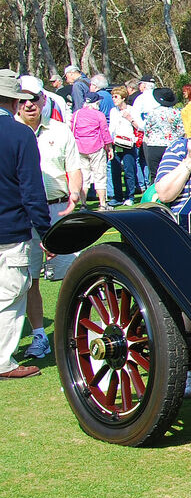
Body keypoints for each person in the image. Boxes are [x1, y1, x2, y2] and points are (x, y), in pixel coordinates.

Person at [15, 78, 83, 359]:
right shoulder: (10, 132)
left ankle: (74, 333)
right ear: (16, 103)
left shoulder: (60, 130)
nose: (29, 104)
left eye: (34, 98)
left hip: (58, 210)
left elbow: (74, 167)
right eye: (23, 100)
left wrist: (75, 195)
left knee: (73, 274)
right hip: (23, 213)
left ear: (44, 99)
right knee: (28, 279)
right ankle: (39, 336)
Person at [0, 69, 50, 379]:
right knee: (9, 297)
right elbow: (32, 189)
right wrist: (46, 232)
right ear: (14, 101)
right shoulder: (20, 135)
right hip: (9, 230)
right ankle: (3, 362)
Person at [72, 91, 114, 210]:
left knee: (84, 177)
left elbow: (72, 130)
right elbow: (105, 132)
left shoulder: (76, 114)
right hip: (96, 147)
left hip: (80, 147)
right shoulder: (99, 115)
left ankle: (83, 204)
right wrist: (109, 147)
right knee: (100, 175)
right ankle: (102, 204)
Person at [140, 87, 183, 178]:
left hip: (154, 146)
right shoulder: (177, 113)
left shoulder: (152, 113)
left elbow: (147, 130)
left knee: (155, 175)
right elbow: (181, 131)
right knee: (172, 174)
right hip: (172, 146)